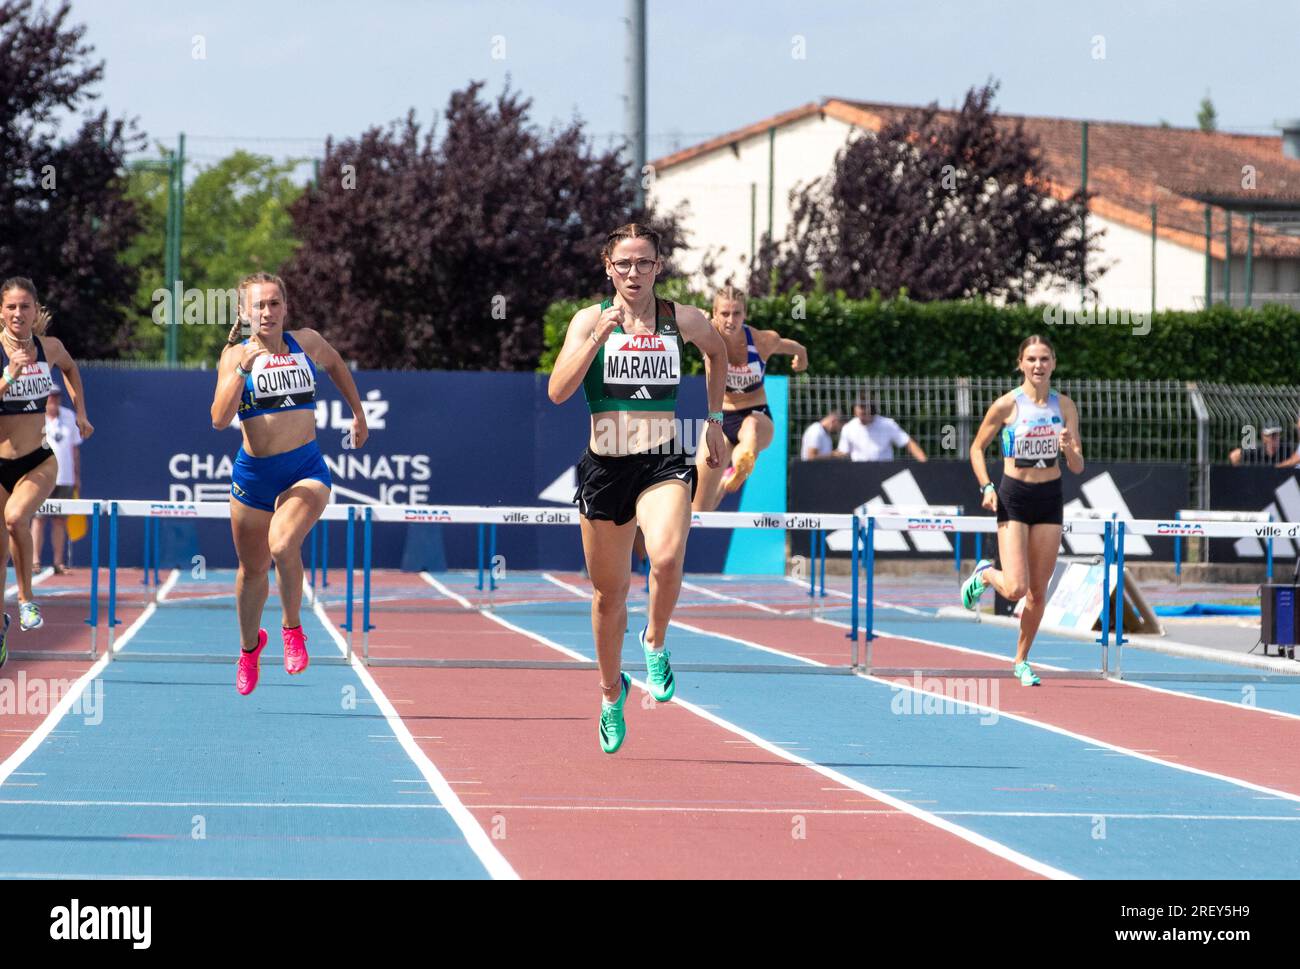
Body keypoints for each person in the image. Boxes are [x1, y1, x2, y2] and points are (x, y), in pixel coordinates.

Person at [547, 223, 727, 754]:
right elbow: (558, 391)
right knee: (608, 595)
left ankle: (654, 641)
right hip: (605, 468)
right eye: (623, 263)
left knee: (667, 557)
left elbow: (719, 353)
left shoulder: (681, 319)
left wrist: (715, 420)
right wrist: (598, 340)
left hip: (661, 461)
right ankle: (610, 693)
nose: (633, 272)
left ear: (657, 268)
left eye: (643, 263)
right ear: (608, 267)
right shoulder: (588, 320)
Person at [210, 272, 368, 696]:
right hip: (255, 476)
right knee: (253, 570)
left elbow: (335, 364)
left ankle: (292, 628)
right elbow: (219, 419)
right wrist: (243, 368)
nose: (267, 312)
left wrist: (358, 413)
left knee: (283, 545)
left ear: (285, 307)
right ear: (244, 312)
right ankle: (248, 649)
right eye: (258, 305)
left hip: (305, 469)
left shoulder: (306, 342)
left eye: (274, 303)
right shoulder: (234, 357)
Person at [960, 334, 1085, 686]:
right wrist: (986, 485)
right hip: (1014, 496)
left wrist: (1068, 448)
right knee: (1015, 587)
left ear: (1054, 363)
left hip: (1049, 496)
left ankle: (1021, 660)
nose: (1038, 366)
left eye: (1044, 359)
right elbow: (976, 448)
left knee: (1037, 592)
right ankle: (986, 574)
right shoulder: (1006, 406)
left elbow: (1077, 465)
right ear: (1020, 364)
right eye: (1031, 359)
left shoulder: (1066, 407)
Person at [0, 278, 93, 652]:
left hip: (38, 460)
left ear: (36, 311)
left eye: (25, 306)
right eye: (11, 307)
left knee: (15, 518)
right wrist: (10, 375)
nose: (18, 313)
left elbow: (71, 369)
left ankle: (25, 600)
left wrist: (82, 413)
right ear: (1, 312)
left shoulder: (49, 348)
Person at [692, 284, 808, 511]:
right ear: (715, 313)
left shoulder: (762, 340)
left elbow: (795, 346)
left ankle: (741, 463)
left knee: (750, 429)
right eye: (724, 313)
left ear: (744, 314)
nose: (730, 320)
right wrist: (696, 320)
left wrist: (801, 357)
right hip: (720, 419)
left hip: (756, 413)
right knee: (699, 511)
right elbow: (676, 326)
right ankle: (730, 477)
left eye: (736, 313)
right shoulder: (705, 334)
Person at [31, 386, 81, 573]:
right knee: (39, 519)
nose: (54, 400)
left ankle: (58, 562)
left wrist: (77, 476)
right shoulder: (36, 417)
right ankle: (35, 561)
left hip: (65, 477)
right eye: (51, 396)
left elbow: (75, 450)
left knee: (60, 520)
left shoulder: (69, 416)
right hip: (42, 477)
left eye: (57, 396)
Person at [836, 401, 928, 462]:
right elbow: (842, 452)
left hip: (885, 470)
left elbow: (908, 442)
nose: (861, 418)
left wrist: (924, 464)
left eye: (864, 414)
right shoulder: (848, 428)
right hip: (859, 472)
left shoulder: (887, 424)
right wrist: (825, 458)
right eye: (858, 414)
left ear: (872, 412)